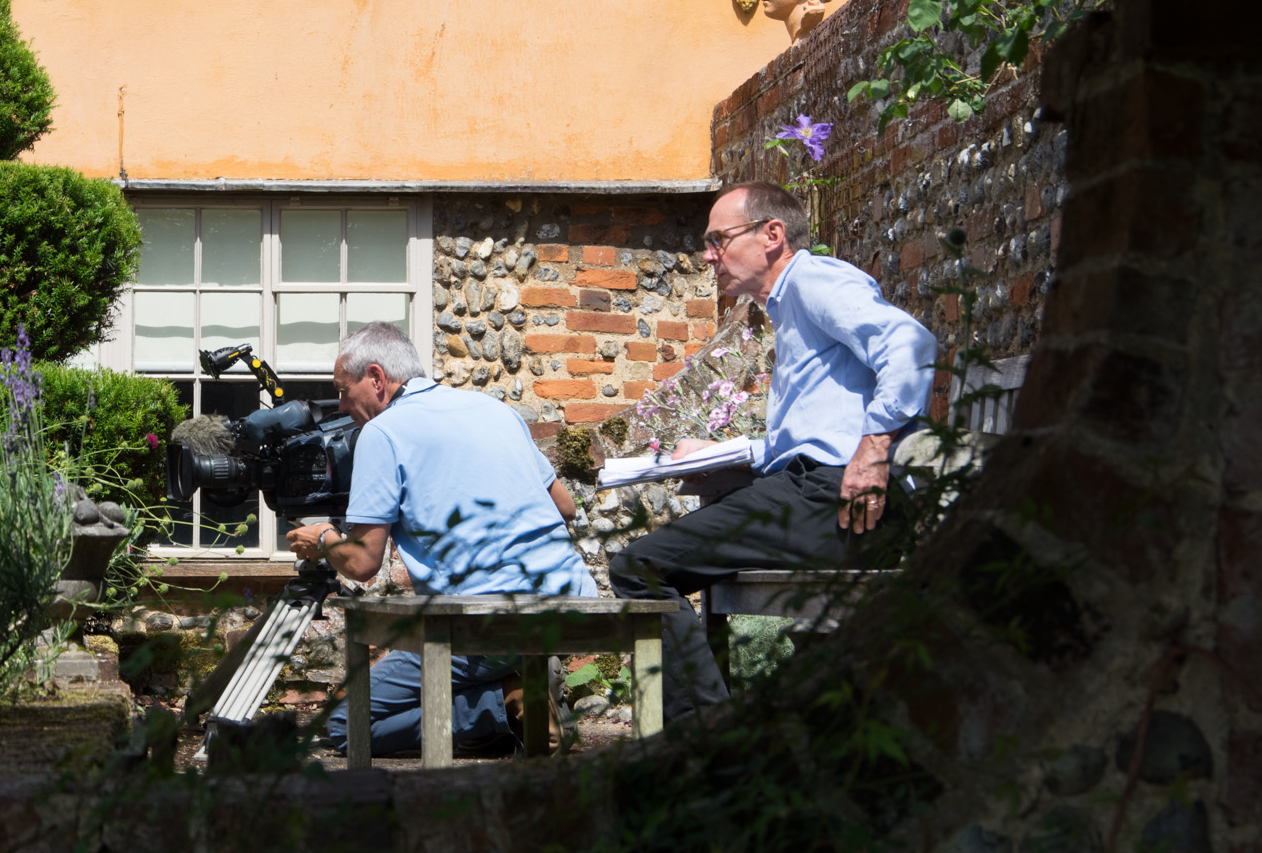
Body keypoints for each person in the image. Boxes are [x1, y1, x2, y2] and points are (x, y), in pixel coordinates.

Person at [607, 182, 937, 717]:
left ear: (772, 235)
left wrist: (874, 449)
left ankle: (706, 739)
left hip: (841, 501)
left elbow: (911, 345)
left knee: (639, 569)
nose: (709, 255)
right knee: (672, 548)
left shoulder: (814, 280)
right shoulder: (789, 309)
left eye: (719, 239)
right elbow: (809, 433)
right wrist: (721, 451)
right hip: (819, 494)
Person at [283, 321, 589, 756]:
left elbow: (362, 564)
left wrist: (324, 537)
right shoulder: (494, 410)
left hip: (488, 625)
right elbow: (565, 507)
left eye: (343, 390)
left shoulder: (382, 433)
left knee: (346, 724)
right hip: (571, 606)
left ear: (376, 378)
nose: (341, 404)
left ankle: (507, 700)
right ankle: (514, 692)